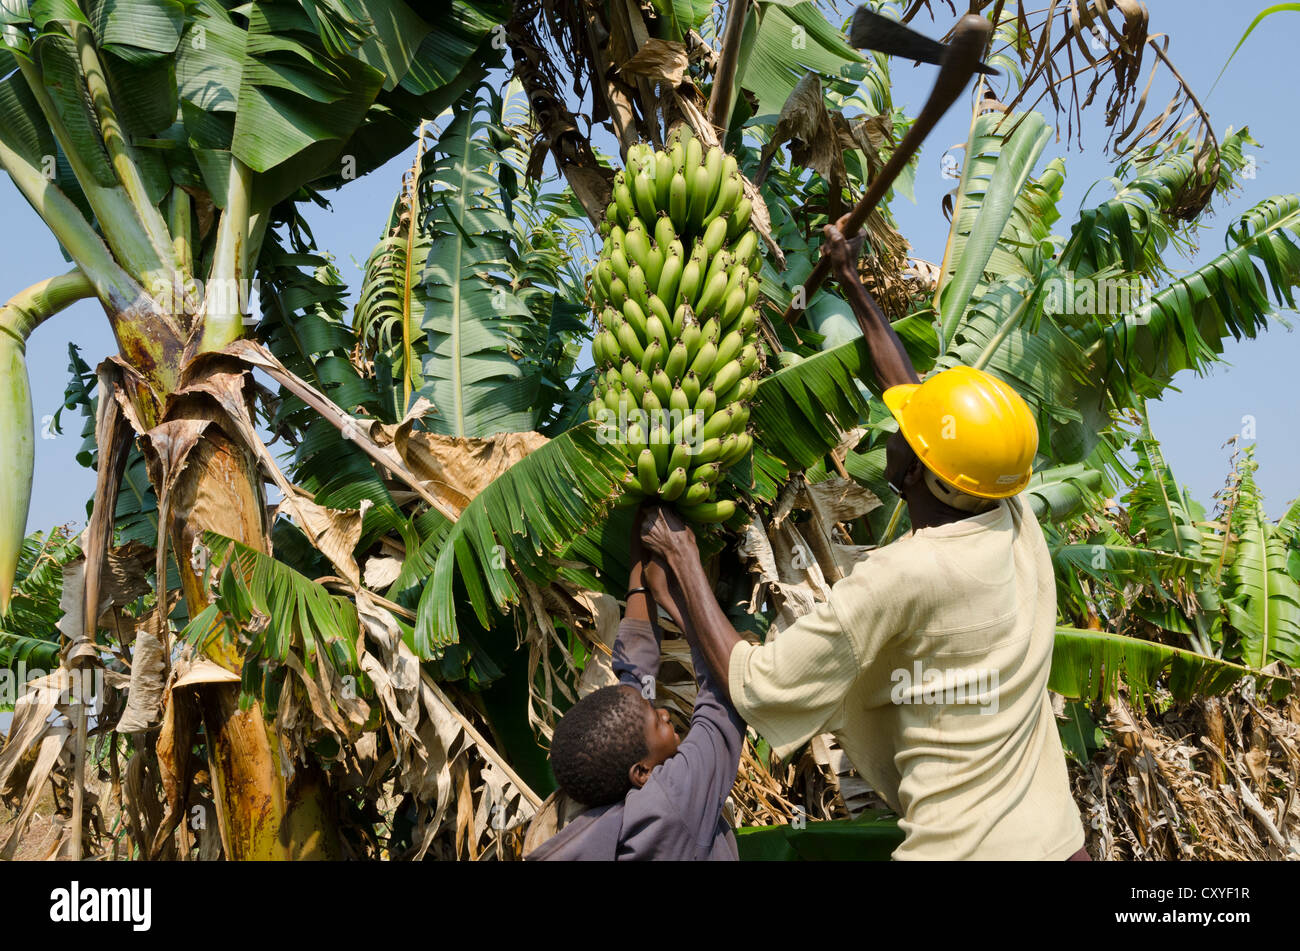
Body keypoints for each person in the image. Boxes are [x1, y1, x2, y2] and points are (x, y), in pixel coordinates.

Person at [638, 223, 1088, 860]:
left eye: (907, 431)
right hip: (1061, 845)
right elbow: (920, 407)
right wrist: (850, 281)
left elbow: (761, 683)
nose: (894, 422)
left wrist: (682, 559)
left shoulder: (903, 574)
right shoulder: (1010, 512)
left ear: (918, 473)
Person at [525, 509, 745, 860]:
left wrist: (638, 563)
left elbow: (635, 675)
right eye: (658, 720)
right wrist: (678, 591)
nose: (666, 715)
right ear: (642, 772)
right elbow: (726, 695)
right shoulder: (672, 803)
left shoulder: (592, 811)